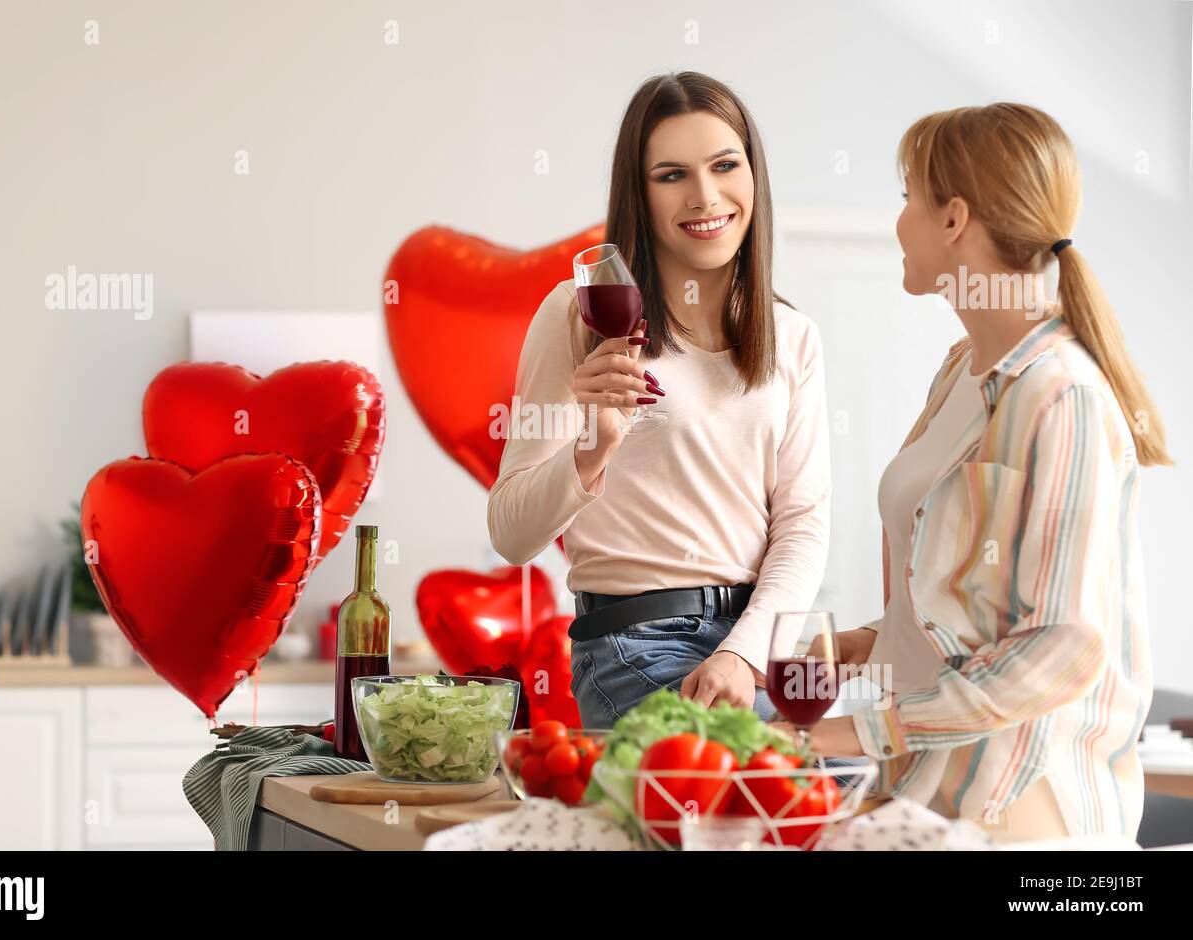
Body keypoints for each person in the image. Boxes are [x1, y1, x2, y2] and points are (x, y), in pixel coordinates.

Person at [775, 102, 1166, 842]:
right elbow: (969, 600)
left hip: (1017, 803)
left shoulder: (1062, 396)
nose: (899, 223)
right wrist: (878, 640)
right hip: (931, 787)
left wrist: (863, 732)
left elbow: (1060, 644)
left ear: (953, 219)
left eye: (906, 200)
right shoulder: (963, 371)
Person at [487, 71, 831, 728]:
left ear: (752, 173)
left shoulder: (793, 336)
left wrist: (745, 653)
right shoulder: (576, 317)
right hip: (632, 647)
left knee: (825, 800)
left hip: (751, 650)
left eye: (725, 165)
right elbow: (510, 532)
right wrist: (593, 448)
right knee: (733, 805)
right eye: (671, 175)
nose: (706, 196)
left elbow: (802, 526)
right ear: (639, 194)